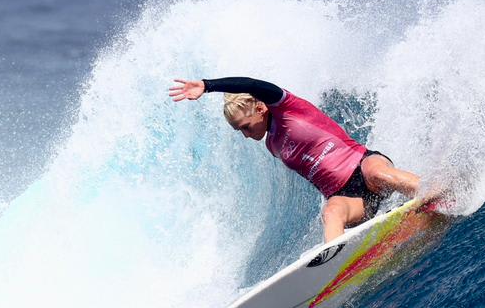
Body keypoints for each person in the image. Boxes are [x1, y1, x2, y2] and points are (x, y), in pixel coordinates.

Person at [169, 76, 422, 242]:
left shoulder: (288, 107)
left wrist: (208, 85)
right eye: (240, 131)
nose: (246, 135)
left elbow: (254, 85)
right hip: (350, 197)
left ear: (261, 108)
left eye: (245, 126)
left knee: (379, 175)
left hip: (362, 165)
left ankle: (435, 190)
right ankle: (337, 269)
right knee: (331, 212)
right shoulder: (271, 144)